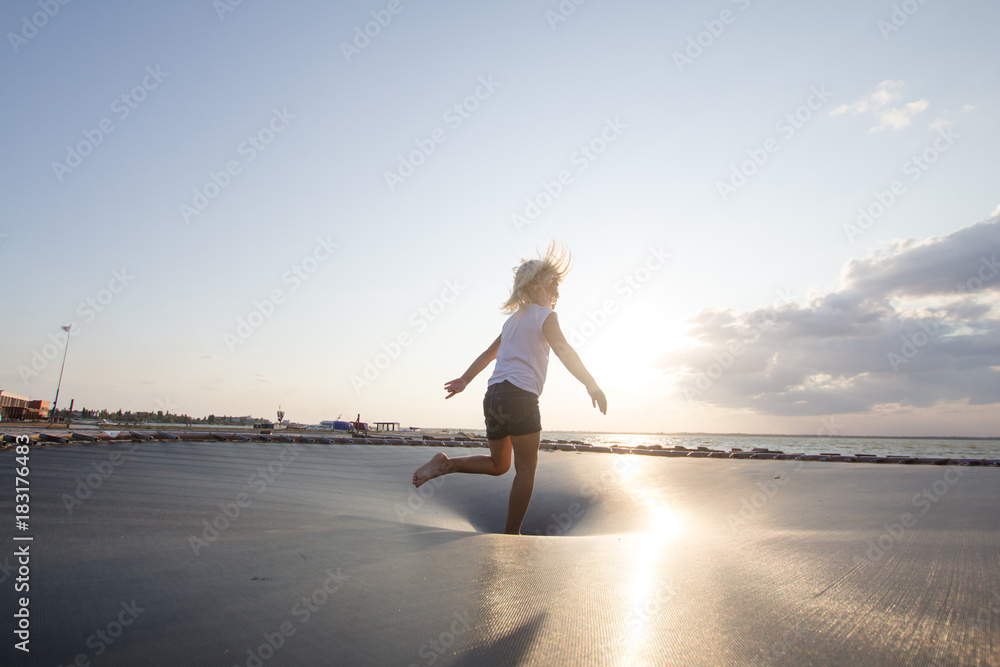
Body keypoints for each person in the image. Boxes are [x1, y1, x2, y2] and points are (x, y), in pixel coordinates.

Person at [412, 242, 607, 534]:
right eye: (555, 284)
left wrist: (465, 379)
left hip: (493, 397)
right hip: (520, 396)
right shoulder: (545, 316)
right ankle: (511, 535)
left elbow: (488, 354)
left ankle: (445, 464)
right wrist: (591, 384)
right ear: (540, 286)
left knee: (499, 464)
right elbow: (565, 350)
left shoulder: (512, 321)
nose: (558, 291)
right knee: (526, 469)